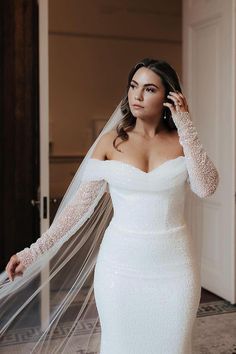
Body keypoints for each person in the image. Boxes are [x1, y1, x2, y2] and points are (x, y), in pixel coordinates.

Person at [1, 58, 219, 354]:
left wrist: (187, 126)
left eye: (149, 89)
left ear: (169, 97)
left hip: (175, 268)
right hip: (120, 268)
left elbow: (206, 188)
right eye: (133, 86)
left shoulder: (184, 142)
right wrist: (33, 252)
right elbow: (78, 209)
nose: (137, 96)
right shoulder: (109, 143)